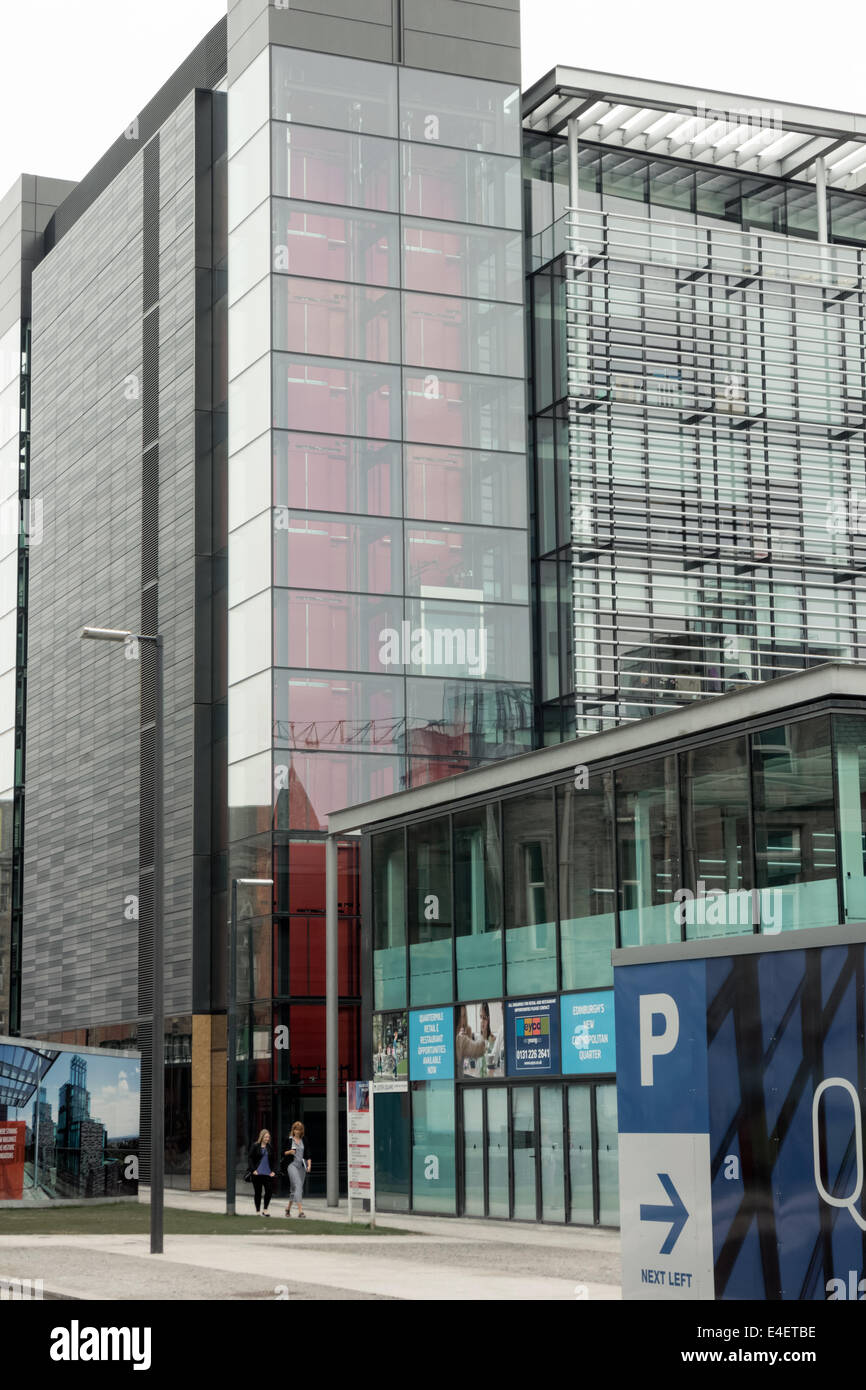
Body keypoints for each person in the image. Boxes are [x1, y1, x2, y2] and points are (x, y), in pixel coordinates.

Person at [283, 1121, 312, 1218]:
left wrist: (309, 1165)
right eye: (296, 1129)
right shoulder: (289, 1140)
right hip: (292, 1165)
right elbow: (283, 1153)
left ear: (301, 1131)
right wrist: (289, 1152)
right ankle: (300, 1211)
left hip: (302, 1166)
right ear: (293, 1130)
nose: (297, 1131)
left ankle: (288, 1209)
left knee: (294, 1189)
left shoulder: (304, 1140)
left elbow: (308, 1154)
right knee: (298, 1185)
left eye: (299, 1130)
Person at [248, 1128, 276, 1216]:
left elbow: (273, 1161)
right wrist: (253, 1170)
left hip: (268, 1174)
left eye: (268, 1137)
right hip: (257, 1174)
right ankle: (257, 1211)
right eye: (266, 1137)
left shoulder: (270, 1147)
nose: (267, 1139)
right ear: (262, 1137)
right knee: (258, 1192)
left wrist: (273, 1171)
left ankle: (265, 1210)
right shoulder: (255, 1146)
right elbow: (250, 1158)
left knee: (269, 1191)